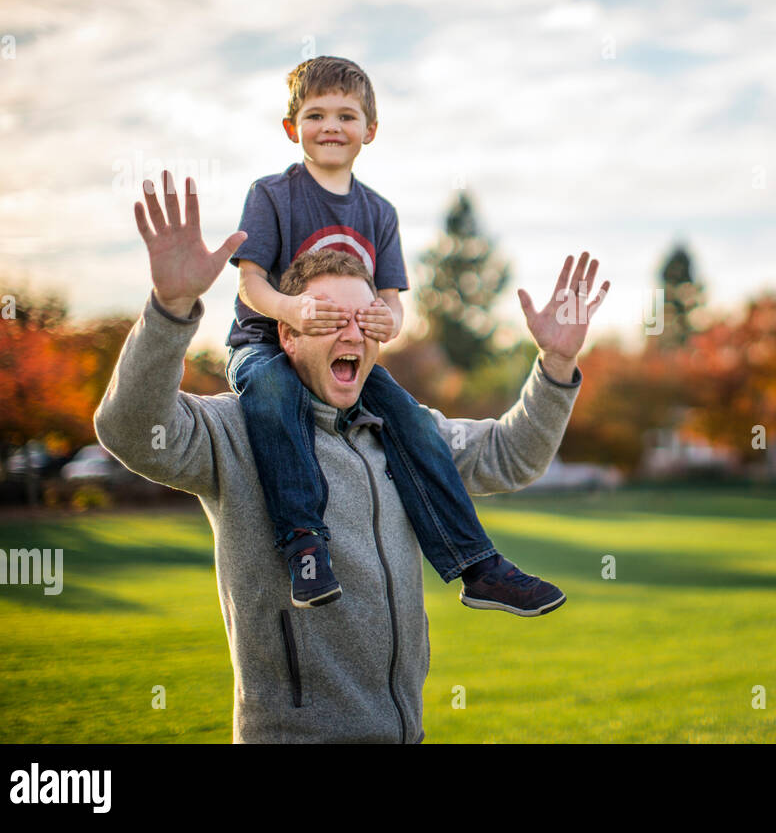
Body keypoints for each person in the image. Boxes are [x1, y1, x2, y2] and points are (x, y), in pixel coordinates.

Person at [94, 170, 608, 741]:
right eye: (331, 319)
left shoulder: (405, 436)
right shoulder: (235, 433)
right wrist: (170, 308)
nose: (352, 334)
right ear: (287, 334)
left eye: (364, 320)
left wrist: (556, 366)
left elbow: (513, 458)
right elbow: (131, 430)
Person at [227, 55, 603, 614]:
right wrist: (291, 311)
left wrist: (385, 323)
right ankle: (304, 543)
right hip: (264, 346)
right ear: (291, 128)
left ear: (370, 131)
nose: (331, 127)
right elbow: (249, 284)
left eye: (347, 116)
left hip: (344, 348)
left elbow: (393, 306)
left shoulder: (379, 212)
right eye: (316, 115)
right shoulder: (272, 195)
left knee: (409, 421)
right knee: (275, 393)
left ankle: (475, 564)